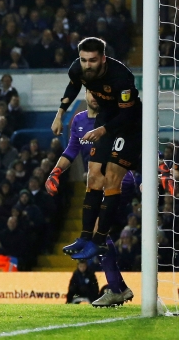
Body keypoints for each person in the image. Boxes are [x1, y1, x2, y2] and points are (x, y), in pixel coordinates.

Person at [47, 37, 141, 263]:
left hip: (129, 124)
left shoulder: (121, 77)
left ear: (103, 59)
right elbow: (74, 84)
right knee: (93, 178)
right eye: (83, 60)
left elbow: (127, 114)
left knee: (111, 178)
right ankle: (85, 237)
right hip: (106, 118)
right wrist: (60, 113)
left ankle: (99, 242)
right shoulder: (78, 69)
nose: (87, 65)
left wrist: (103, 130)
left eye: (92, 60)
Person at [46, 89, 133, 307]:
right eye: (90, 92)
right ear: (85, 94)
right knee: (99, 236)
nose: (94, 97)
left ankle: (117, 289)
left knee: (97, 234)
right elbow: (71, 151)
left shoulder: (111, 119)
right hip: (96, 186)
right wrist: (55, 172)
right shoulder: (79, 120)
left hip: (117, 182)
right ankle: (119, 288)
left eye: (97, 93)